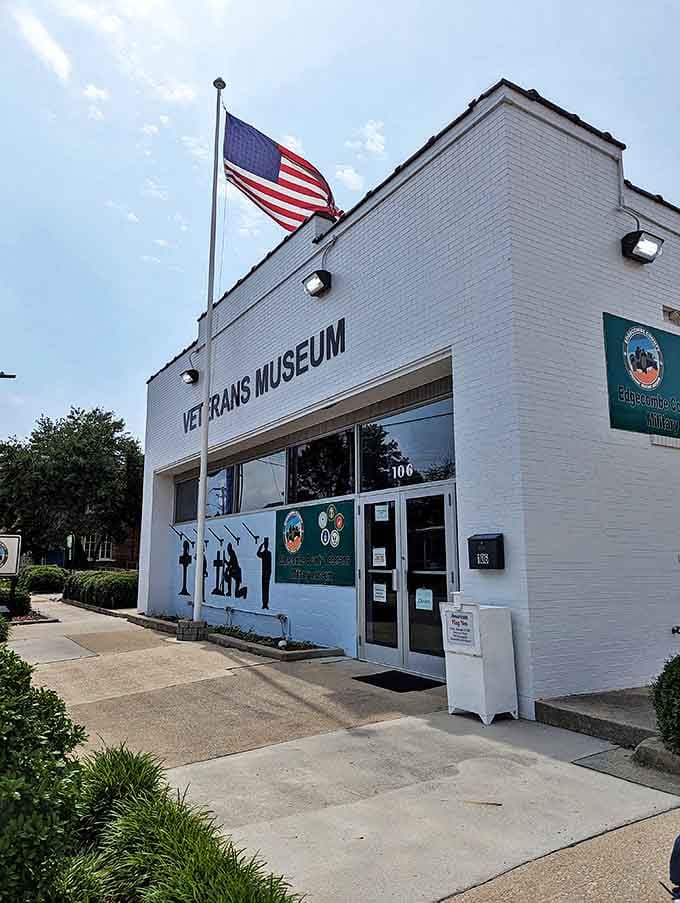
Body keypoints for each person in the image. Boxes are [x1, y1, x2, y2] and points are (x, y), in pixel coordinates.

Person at [257, 537, 272, 609]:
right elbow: (257, 554)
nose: (266, 546)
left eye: (266, 544)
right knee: (264, 589)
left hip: (267, 573)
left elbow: (270, 564)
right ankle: (264, 603)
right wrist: (260, 546)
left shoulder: (269, 553)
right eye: (265, 544)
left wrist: (269, 573)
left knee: (267, 588)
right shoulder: (263, 553)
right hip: (264, 573)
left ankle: (266, 603)